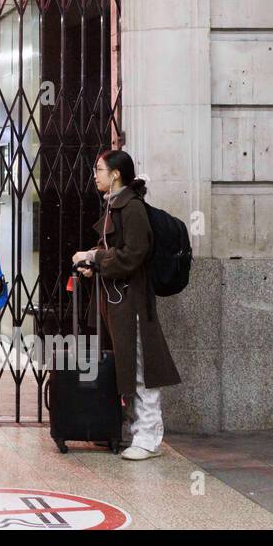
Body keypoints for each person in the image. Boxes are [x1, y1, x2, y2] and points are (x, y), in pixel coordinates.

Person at [73, 149, 181, 461]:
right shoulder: (116, 206)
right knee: (127, 368)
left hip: (132, 302)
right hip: (119, 299)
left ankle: (148, 437)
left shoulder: (131, 208)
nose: (95, 175)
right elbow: (117, 251)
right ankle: (132, 430)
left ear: (116, 174)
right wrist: (93, 261)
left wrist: (94, 257)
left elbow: (134, 254)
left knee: (140, 369)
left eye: (99, 169)